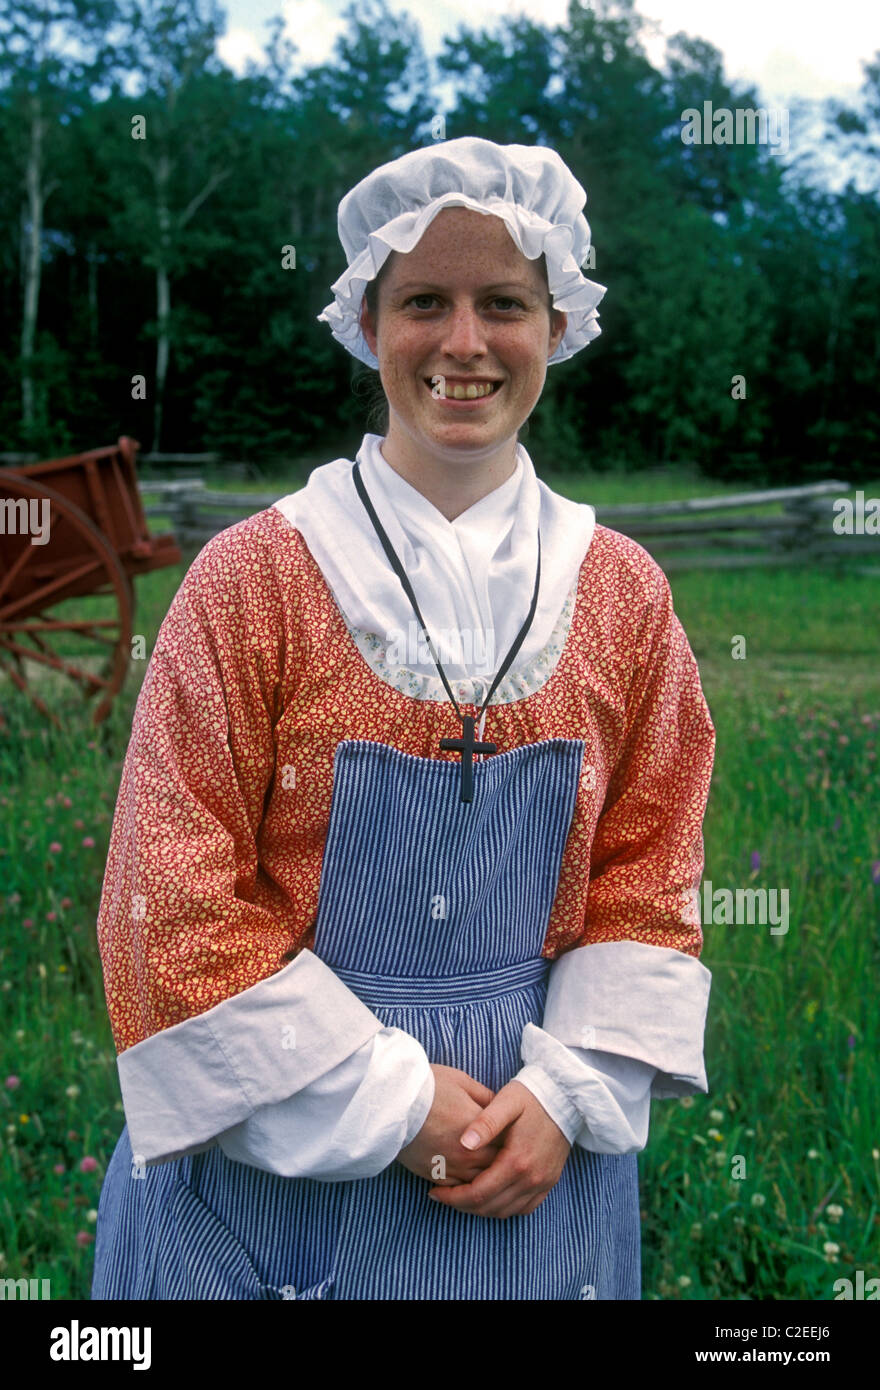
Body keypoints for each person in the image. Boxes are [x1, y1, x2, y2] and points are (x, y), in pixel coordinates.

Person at [91, 136, 715, 1301]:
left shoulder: (623, 592)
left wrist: (572, 1088)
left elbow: (651, 864)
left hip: (533, 1152)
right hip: (276, 1169)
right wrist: (387, 1104)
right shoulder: (251, 582)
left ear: (560, 326)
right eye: (424, 300)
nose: (465, 342)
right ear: (367, 324)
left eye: (506, 304)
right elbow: (161, 901)